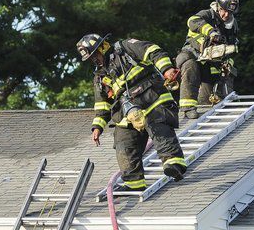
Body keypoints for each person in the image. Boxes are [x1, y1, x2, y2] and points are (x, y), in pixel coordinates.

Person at [76, 33, 187, 192]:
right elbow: (102, 105)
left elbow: (153, 50)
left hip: (153, 99)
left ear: (102, 46)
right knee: (123, 142)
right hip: (127, 112)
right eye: (91, 59)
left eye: (95, 55)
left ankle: (174, 164)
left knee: (158, 126)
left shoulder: (125, 48)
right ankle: (134, 183)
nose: (95, 60)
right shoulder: (100, 77)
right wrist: (97, 127)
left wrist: (167, 69)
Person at [176, 0, 240, 119]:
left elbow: (232, 49)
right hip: (192, 55)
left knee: (209, 95)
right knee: (190, 67)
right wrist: (211, 32)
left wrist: (227, 65)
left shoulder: (232, 26)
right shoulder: (207, 14)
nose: (226, 15)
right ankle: (187, 108)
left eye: (230, 12)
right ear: (218, 6)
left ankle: (219, 106)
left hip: (211, 62)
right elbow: (192, 21)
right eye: (223, 10)